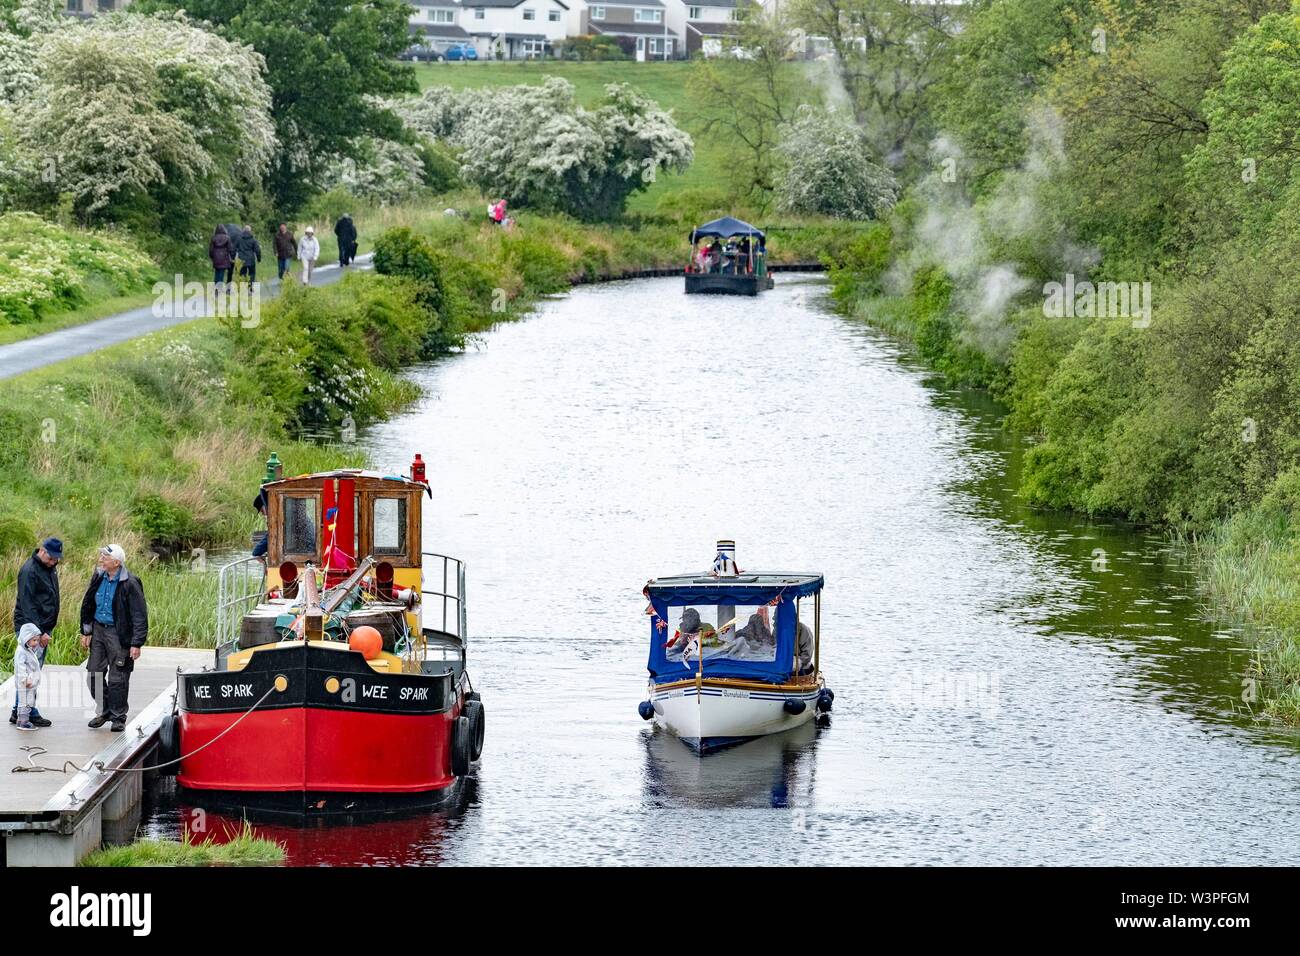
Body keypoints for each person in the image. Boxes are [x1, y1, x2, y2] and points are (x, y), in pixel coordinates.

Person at [79, 544, 148, 733]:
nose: (101, 558)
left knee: (118, 677)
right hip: (99, 630)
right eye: (101, 555)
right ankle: (105, 710)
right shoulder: (98, 575)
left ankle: (118, 717)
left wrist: (136, 643)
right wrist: (86, 630)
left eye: (105, 556)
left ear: (116, 562)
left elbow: (139, 614)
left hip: (119, 634)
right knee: (94, 674)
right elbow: (87, 603)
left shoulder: (130, 582)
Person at [10, 537, 60, 727]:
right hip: (29, 629)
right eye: (52, 558)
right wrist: (38, 634)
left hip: (41, 628)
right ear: (42, 551)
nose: (55, 561)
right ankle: (28, 711)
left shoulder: (48, 568)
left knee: (33, 670)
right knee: (29, 672)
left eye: (56, 559)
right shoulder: (30, 570)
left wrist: (47, 628)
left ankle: (19, 710)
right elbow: (27, 604)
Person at [13, 624, 43, 732]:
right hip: (25, 682)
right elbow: (20, 667)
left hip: (30, 682)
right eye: (34, 640)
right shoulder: (21, 651)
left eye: (37, 640)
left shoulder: (27, 649)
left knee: (29, 701)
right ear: (26, 638)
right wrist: (25, 679)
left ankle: (25, 720)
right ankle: (22, 721)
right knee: (23, 702)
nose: (36, 643)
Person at [208, 225, 234, 292]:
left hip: (216, 258)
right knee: (221, 273)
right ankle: (219, 289)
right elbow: (230, 249)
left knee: (217, 273)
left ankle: (216, 288)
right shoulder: (227, 238)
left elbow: (211, 249)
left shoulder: (213, 238)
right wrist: (231, 256)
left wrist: (212, 257)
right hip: (224, 257)